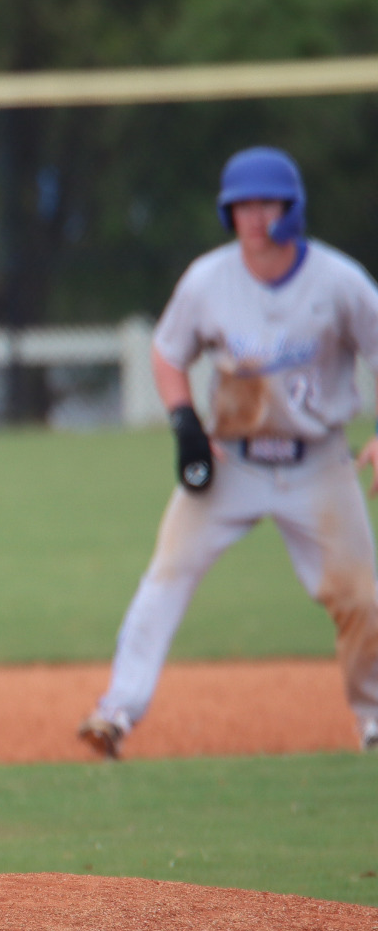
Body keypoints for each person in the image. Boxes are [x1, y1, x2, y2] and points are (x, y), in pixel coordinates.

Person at [79, 146, 378, 760]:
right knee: (166, 576)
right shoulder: (208, 280)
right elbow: (168, 352)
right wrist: (184, 419)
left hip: (319, 462)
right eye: (242, 205)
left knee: (362, 599)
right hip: (232, 462)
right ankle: (116, 711)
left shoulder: (339, 281)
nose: (254, 216)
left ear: (291, 209)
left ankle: (373, 721)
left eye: (267, 203)